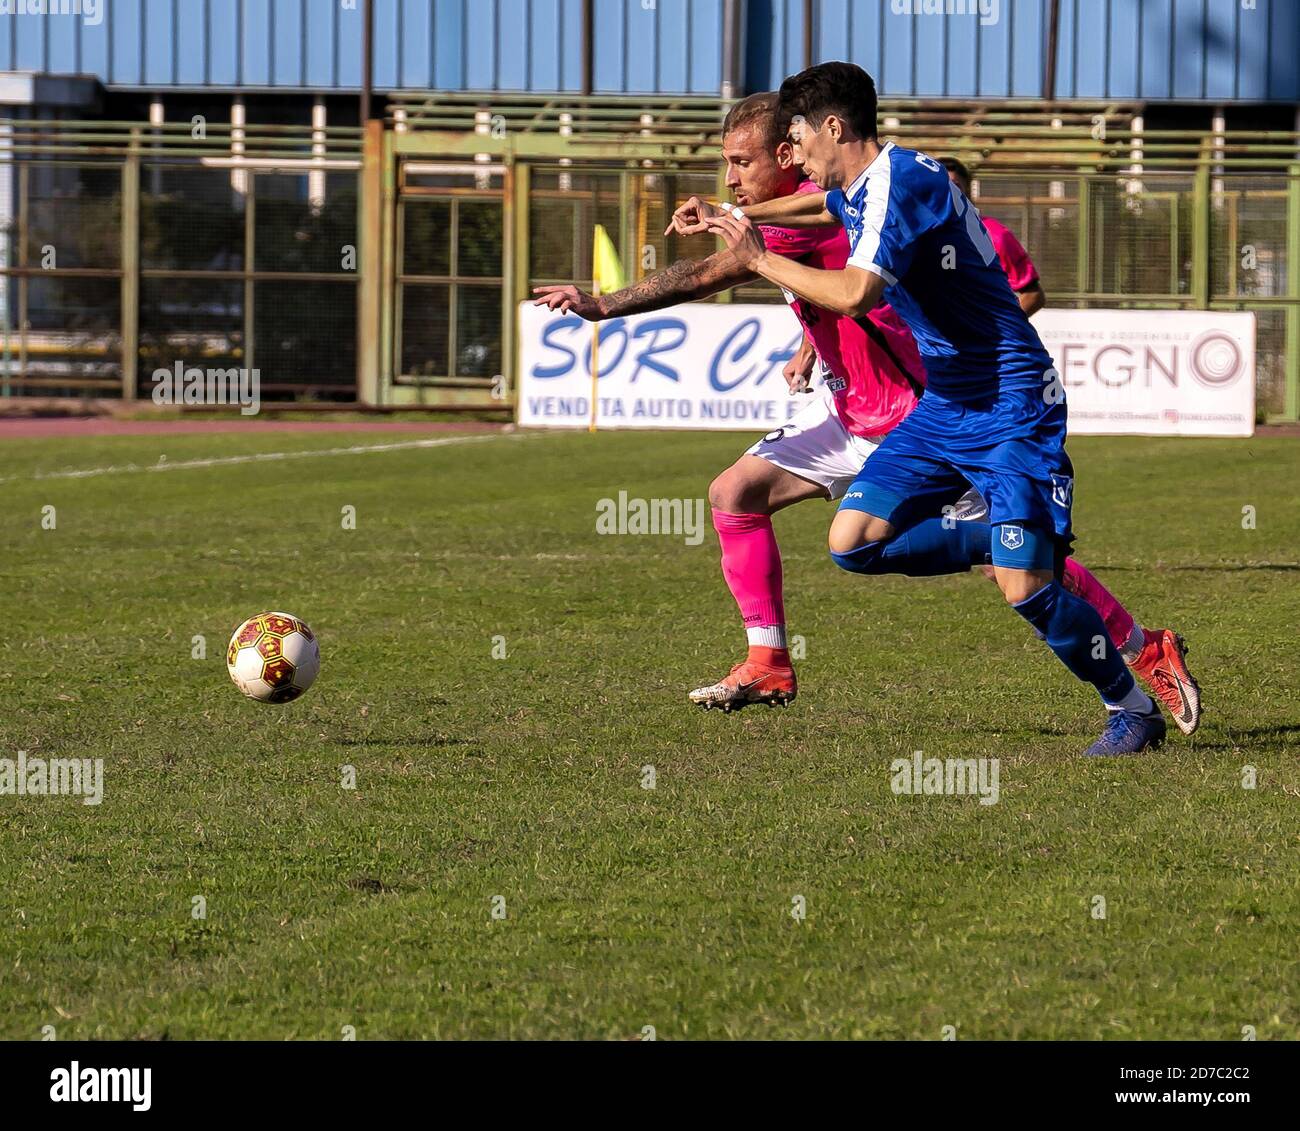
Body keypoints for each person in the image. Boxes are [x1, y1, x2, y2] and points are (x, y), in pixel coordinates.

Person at [683, 62, 1175, 755]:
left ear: (833, 127)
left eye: (799, 141)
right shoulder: (875, 178)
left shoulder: (898, 186)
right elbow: (818, 207)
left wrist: (757, 258)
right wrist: (736, 214)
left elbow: (854, 293)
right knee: (851, 544)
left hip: (1009, 402)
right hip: (946, 404)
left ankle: (1132, 710)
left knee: (1026, 589)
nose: (795, 161)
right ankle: (1001, 537)